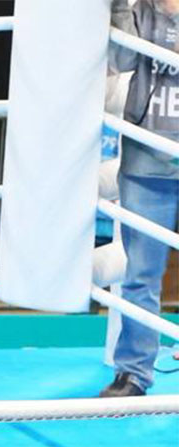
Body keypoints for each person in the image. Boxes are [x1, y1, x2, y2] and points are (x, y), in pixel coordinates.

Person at [100, 0, 179, 397]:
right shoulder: (138, 9)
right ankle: (133, 373)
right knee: (140, 277)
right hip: (147, 161)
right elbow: (119, 58)